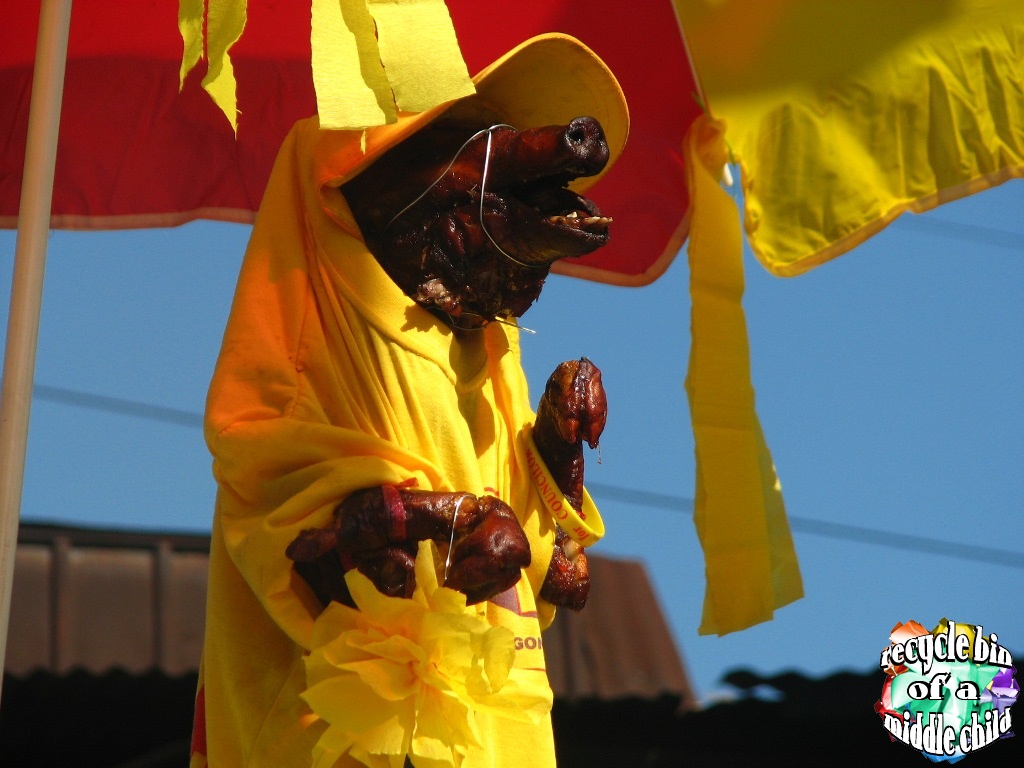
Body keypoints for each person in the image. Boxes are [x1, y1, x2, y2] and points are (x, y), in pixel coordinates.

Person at [190, 34, 628, 768]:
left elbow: (546, 577)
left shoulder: (488, 359)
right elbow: (305, 540)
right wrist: (456, 523)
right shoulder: (306, 357)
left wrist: (556, 458)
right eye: (464, 144)